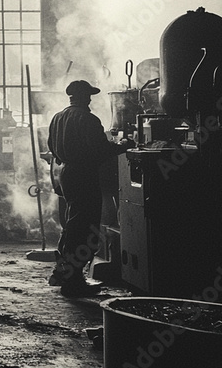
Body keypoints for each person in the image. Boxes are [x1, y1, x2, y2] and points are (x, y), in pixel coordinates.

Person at [47, 79, 132, 298]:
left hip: (66, 173)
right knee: (85, 225)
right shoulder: (88, 119)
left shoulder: (58, 117)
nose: (91, 99)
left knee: (72, 223)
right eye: (89, 95)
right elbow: (102, 149)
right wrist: (123, 146)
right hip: (84, 174)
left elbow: (51, 148)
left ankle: (63, 271)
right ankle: (73, 280)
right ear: (82, 96)